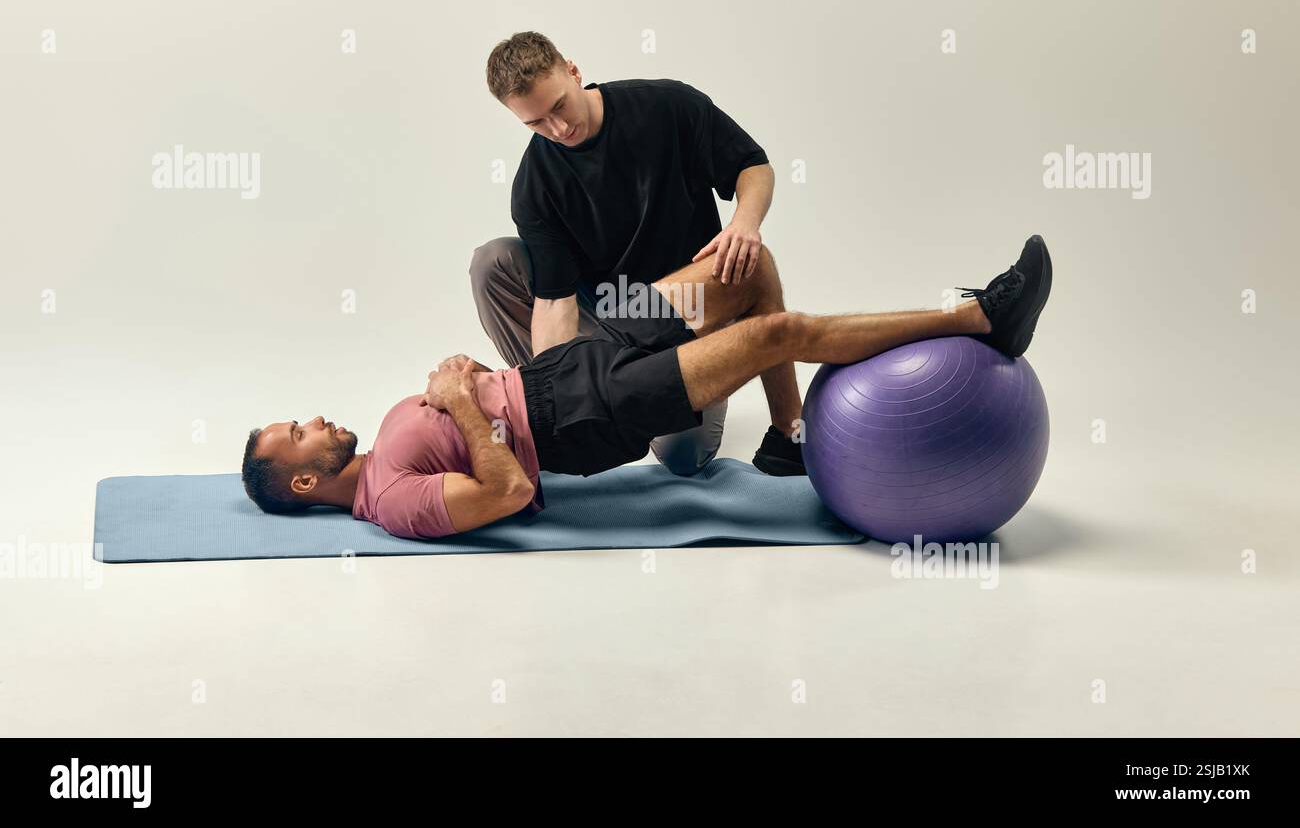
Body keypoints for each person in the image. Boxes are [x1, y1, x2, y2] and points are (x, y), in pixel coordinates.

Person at [241, 237, 1052, 541]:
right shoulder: (390, 501)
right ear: (305, 478)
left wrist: (474, 381)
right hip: (586, 416)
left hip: (564, 370)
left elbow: (478, 415)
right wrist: (459, 401)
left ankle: (788, 441)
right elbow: (509, 490)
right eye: (298, 432)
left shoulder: (384, 451)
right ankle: (982, 316)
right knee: (779, 334)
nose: (314, 419)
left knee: (739, 275)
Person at [473, 30, 804, 477]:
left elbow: (752, 165)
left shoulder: (666, 106)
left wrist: (744, 224)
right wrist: (562, 400)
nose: (558, 129)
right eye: (536, 124)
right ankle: (564, 415)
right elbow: (555, 301)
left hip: (687, 307)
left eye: (559, 106)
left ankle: (790, 430)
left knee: (685, 457)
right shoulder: (535, 183)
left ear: (573, 71)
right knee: (493, 261)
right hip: (609, 320)